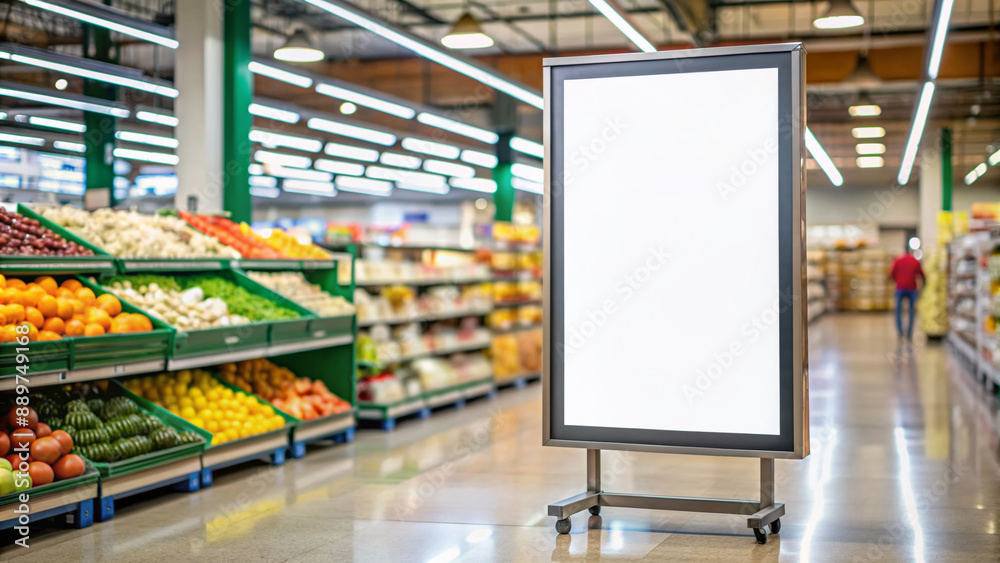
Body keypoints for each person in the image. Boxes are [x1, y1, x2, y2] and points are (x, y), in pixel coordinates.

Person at [889, 250, 925, 339]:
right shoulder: (914, 261)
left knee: (898, 311)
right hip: (912, 288)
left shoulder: (897, 261)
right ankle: (909, 332)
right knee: (911, 311)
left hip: (900, 288)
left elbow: (892, 273)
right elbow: (921, 274)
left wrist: (898, 280)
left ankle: (900, 331)